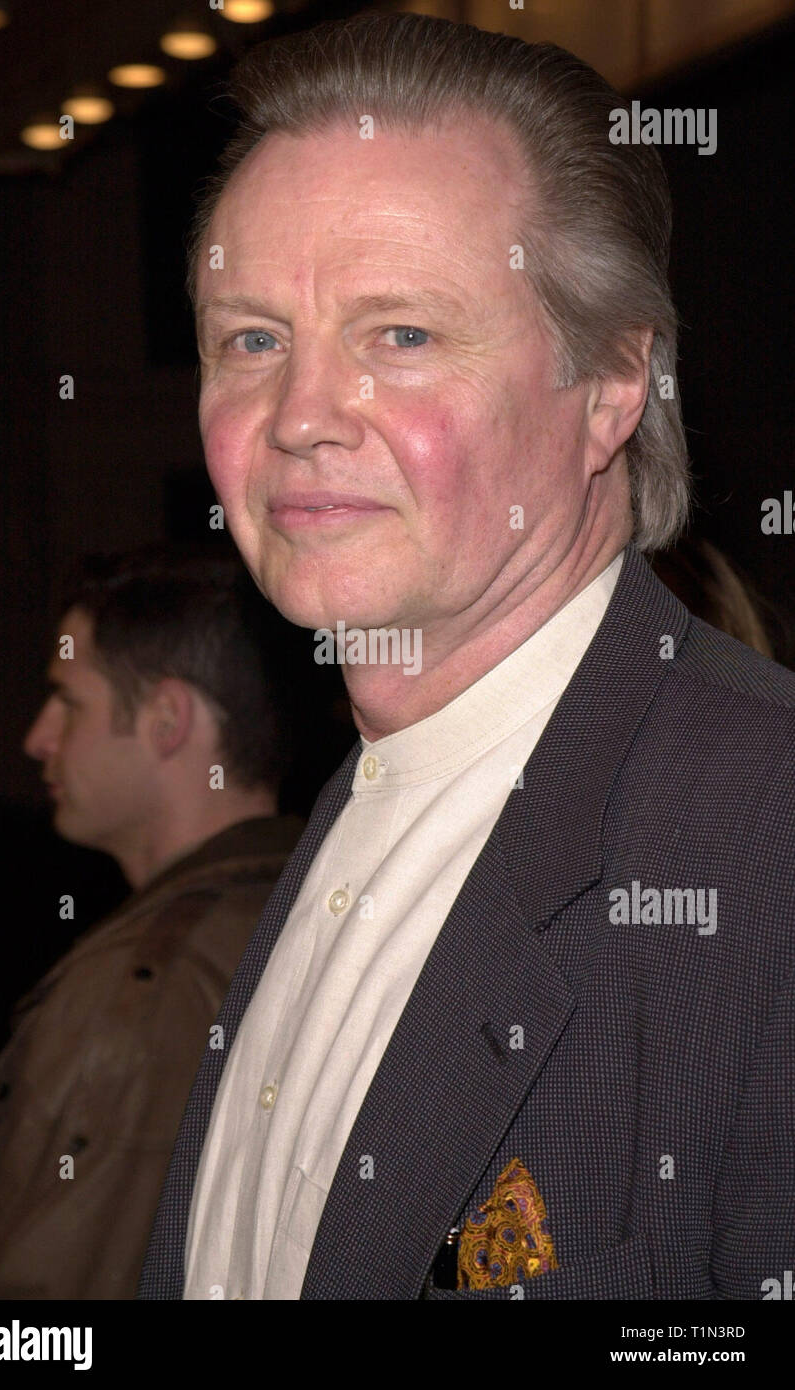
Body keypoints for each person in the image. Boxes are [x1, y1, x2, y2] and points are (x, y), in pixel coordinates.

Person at [139, 13, 795, 1301]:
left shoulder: (759, 845)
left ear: (611, 387)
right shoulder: (357, 813)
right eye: (252, 339)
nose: (302, 418)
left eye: (402, 335)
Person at [0, 547, 304, 1298]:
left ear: (167, 719)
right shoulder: (303, 914)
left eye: (68, 701)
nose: (37, 738)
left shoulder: (143, 988)